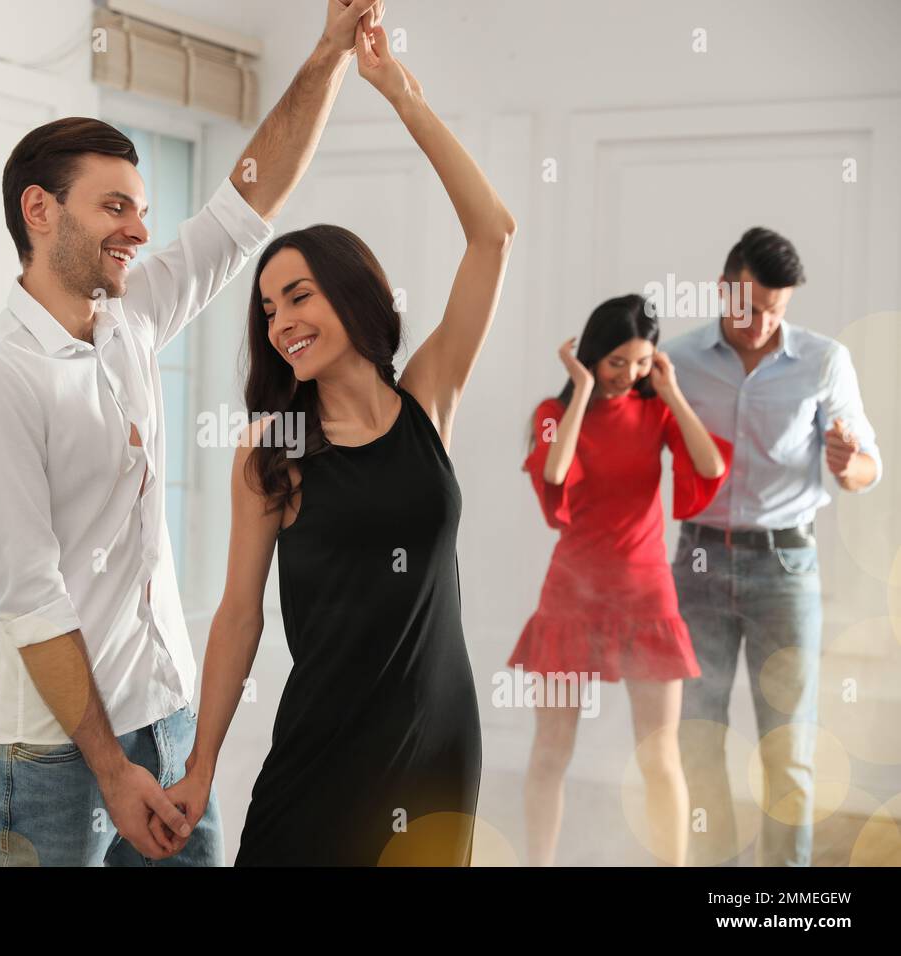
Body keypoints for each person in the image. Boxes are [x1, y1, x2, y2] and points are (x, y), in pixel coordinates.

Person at [0, 0, 390, 867]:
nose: (140, 230)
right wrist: (110, 771)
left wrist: (330, 51)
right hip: (54, 760)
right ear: (40, 210)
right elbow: (32, 601)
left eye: (142, 209)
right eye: (115, 207)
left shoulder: (132, 315)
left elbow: (246, 200)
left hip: (169, 722)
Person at [158, 22, 516, 866]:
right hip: (322, 748)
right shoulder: (271, 452)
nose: (280, 322)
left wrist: (399, 94)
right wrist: (201, 763)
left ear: (351, 293)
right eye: (268, 310)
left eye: (297, 296)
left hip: (438, 744)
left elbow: (493, 233)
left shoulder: (429, 396)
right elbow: (238, 616)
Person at [666, 227, 883, 866]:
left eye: (776, 312)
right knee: (697, 738)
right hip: (697, 565)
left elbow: (870, 465)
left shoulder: (823, 361)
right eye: (750, 308)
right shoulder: (677, 362)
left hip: (786, 571)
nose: (761, 325)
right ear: (723, 288)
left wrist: (848, 467)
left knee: (788, 746)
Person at [509, 294, 732, 866]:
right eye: (616, 364)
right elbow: (556, 471)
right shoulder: (553, 412)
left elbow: (709, 468)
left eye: (641, 364)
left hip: (645, 594)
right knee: (551, 753)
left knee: (660, 757)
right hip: (571, 596)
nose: (628, 376)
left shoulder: (655, 409)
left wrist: (672, 390)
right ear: (591, 356)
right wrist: (583, 390)